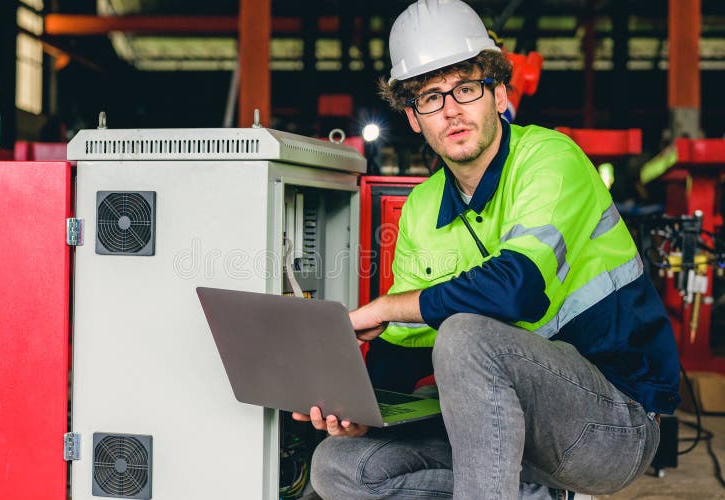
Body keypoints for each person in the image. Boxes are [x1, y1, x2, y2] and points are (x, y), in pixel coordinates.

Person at [292, 0, 681, 498]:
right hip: (507, 439)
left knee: (464, 335)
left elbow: (518, 289)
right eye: (431, 98)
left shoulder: (550, 159)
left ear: (498, 95)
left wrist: (388, 305)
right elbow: (405, 346)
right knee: (341, 467)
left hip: (610, 426)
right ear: (413, 119)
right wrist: (362, 408)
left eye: (467, 89)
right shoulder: (422, 207)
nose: (451, 110)